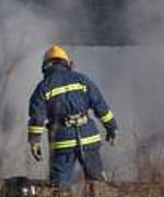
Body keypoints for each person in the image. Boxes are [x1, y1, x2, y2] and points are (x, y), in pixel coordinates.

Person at [27, 44, 119, 186]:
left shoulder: (43, 87)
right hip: (88, 138)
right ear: (67, 63)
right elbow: (100, 106)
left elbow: (37, 118)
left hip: (62, 142)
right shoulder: (82, 80)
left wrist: (34, 141)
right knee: (97, 183)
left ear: (45, 66)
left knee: (59, 188)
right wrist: (111, 128)